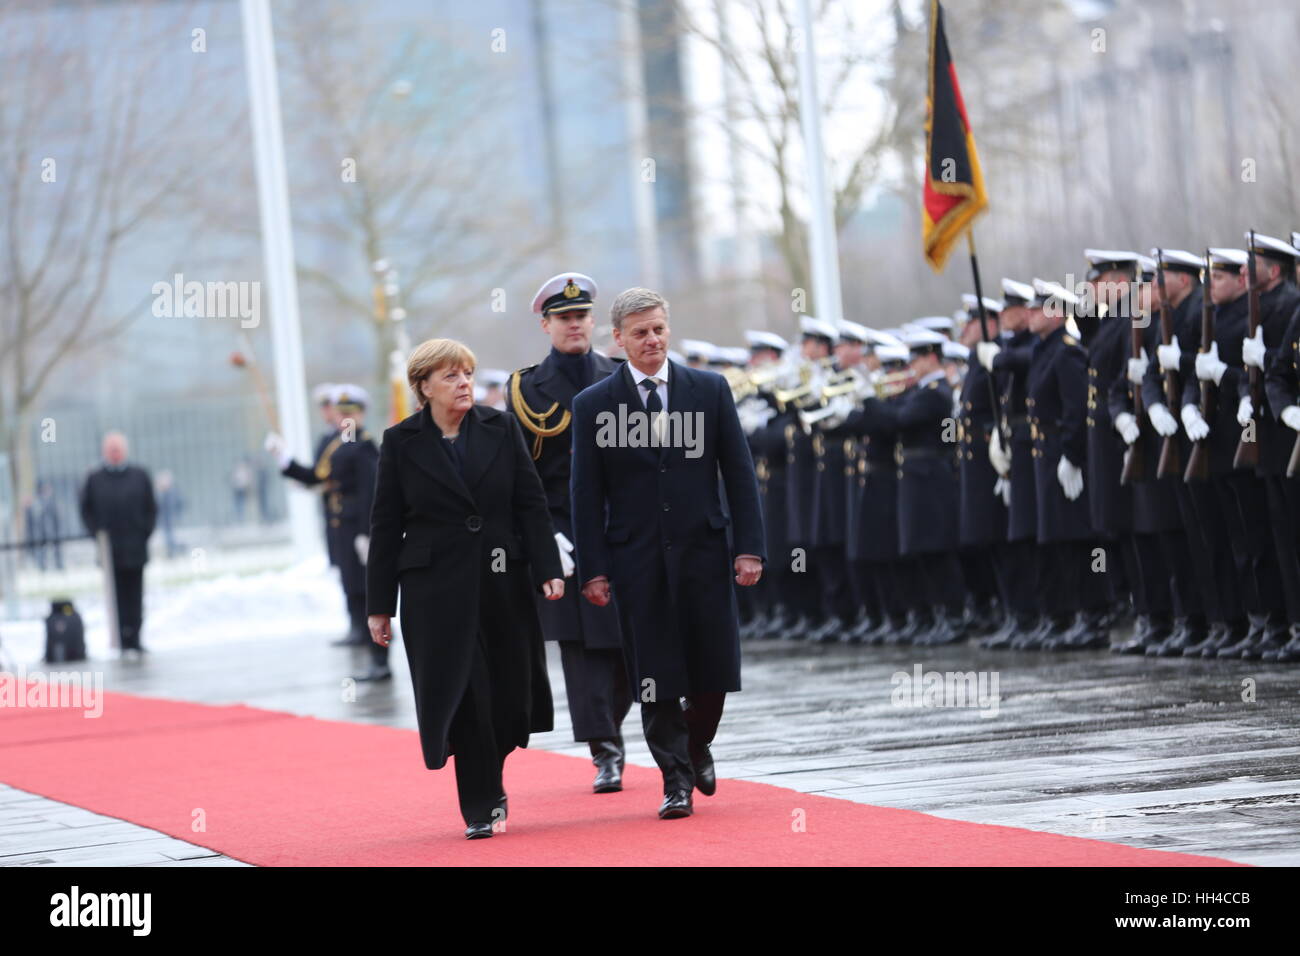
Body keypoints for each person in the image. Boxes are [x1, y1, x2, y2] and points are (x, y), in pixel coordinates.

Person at [570, 287, 765, 820]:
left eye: (658, 329)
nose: (652, 340)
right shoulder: (593, 406)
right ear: (619, 339)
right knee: (654, 673)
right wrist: (594, 569)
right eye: (640, 333)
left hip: (704, 550)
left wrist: (750, 548)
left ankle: (697, 741)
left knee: (711, 668)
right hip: (636, 559)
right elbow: (585, 494)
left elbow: (739, 473)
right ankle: (674, 779)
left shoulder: (709, 389)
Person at [366, 338, 564, 840]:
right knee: (466, 693)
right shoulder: (401, 441)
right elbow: (386, 526)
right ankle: (480, 802)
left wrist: (548, 566)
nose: (463, 384)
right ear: (424, 386)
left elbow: (530, 503)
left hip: (502, 583)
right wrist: (378, 606)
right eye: (451, 376)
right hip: (435, 593)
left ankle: (489, 773)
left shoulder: (502, 427)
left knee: (506, 695)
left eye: (467, 374)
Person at [507, 271, 634, 793]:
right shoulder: (526, 389)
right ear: (546, 324)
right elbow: (520, 476)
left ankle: (612, 726)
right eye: (563, 318)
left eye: (581, 316)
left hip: (624, 531)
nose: (574, 324)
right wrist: (542, 537)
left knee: (627, 644)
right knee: (581, 647)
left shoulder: (621, 376)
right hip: (563, 534)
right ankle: (604, 748)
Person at [79, 432, 157, 657]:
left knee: (135, 595)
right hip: (109, 549)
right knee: (116, 597)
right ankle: (121, 640)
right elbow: (86, 510)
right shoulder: (95, 479)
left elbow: (151, 508)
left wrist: (144, 532)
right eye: (111, 449)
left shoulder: (139, 475)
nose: (115, 453)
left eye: (118, 449)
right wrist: (97, 534)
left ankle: (136, 638)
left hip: (135, 546)